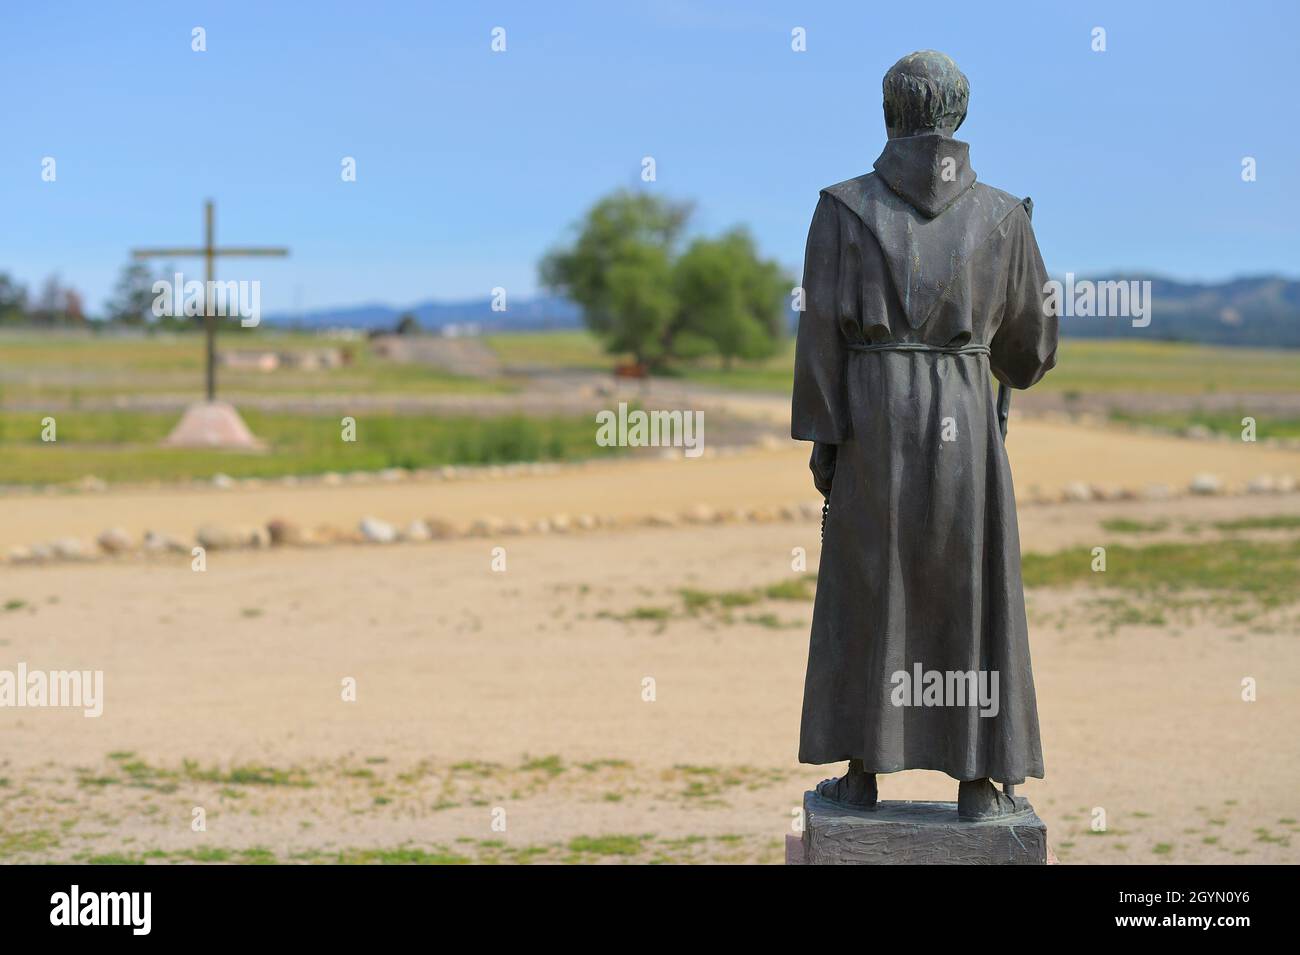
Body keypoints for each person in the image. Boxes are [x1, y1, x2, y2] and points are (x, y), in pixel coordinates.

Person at [792, 50, 1058, 820]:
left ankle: (862, 771)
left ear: (889, 113)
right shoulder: (1004, 218)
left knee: (872, 587)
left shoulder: (841, 209)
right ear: (958, 116)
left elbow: (819, 343)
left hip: (873, 421)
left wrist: (826, 442)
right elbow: (1032, 352)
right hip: (966, 425)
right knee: (967, 585)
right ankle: (979, 782)